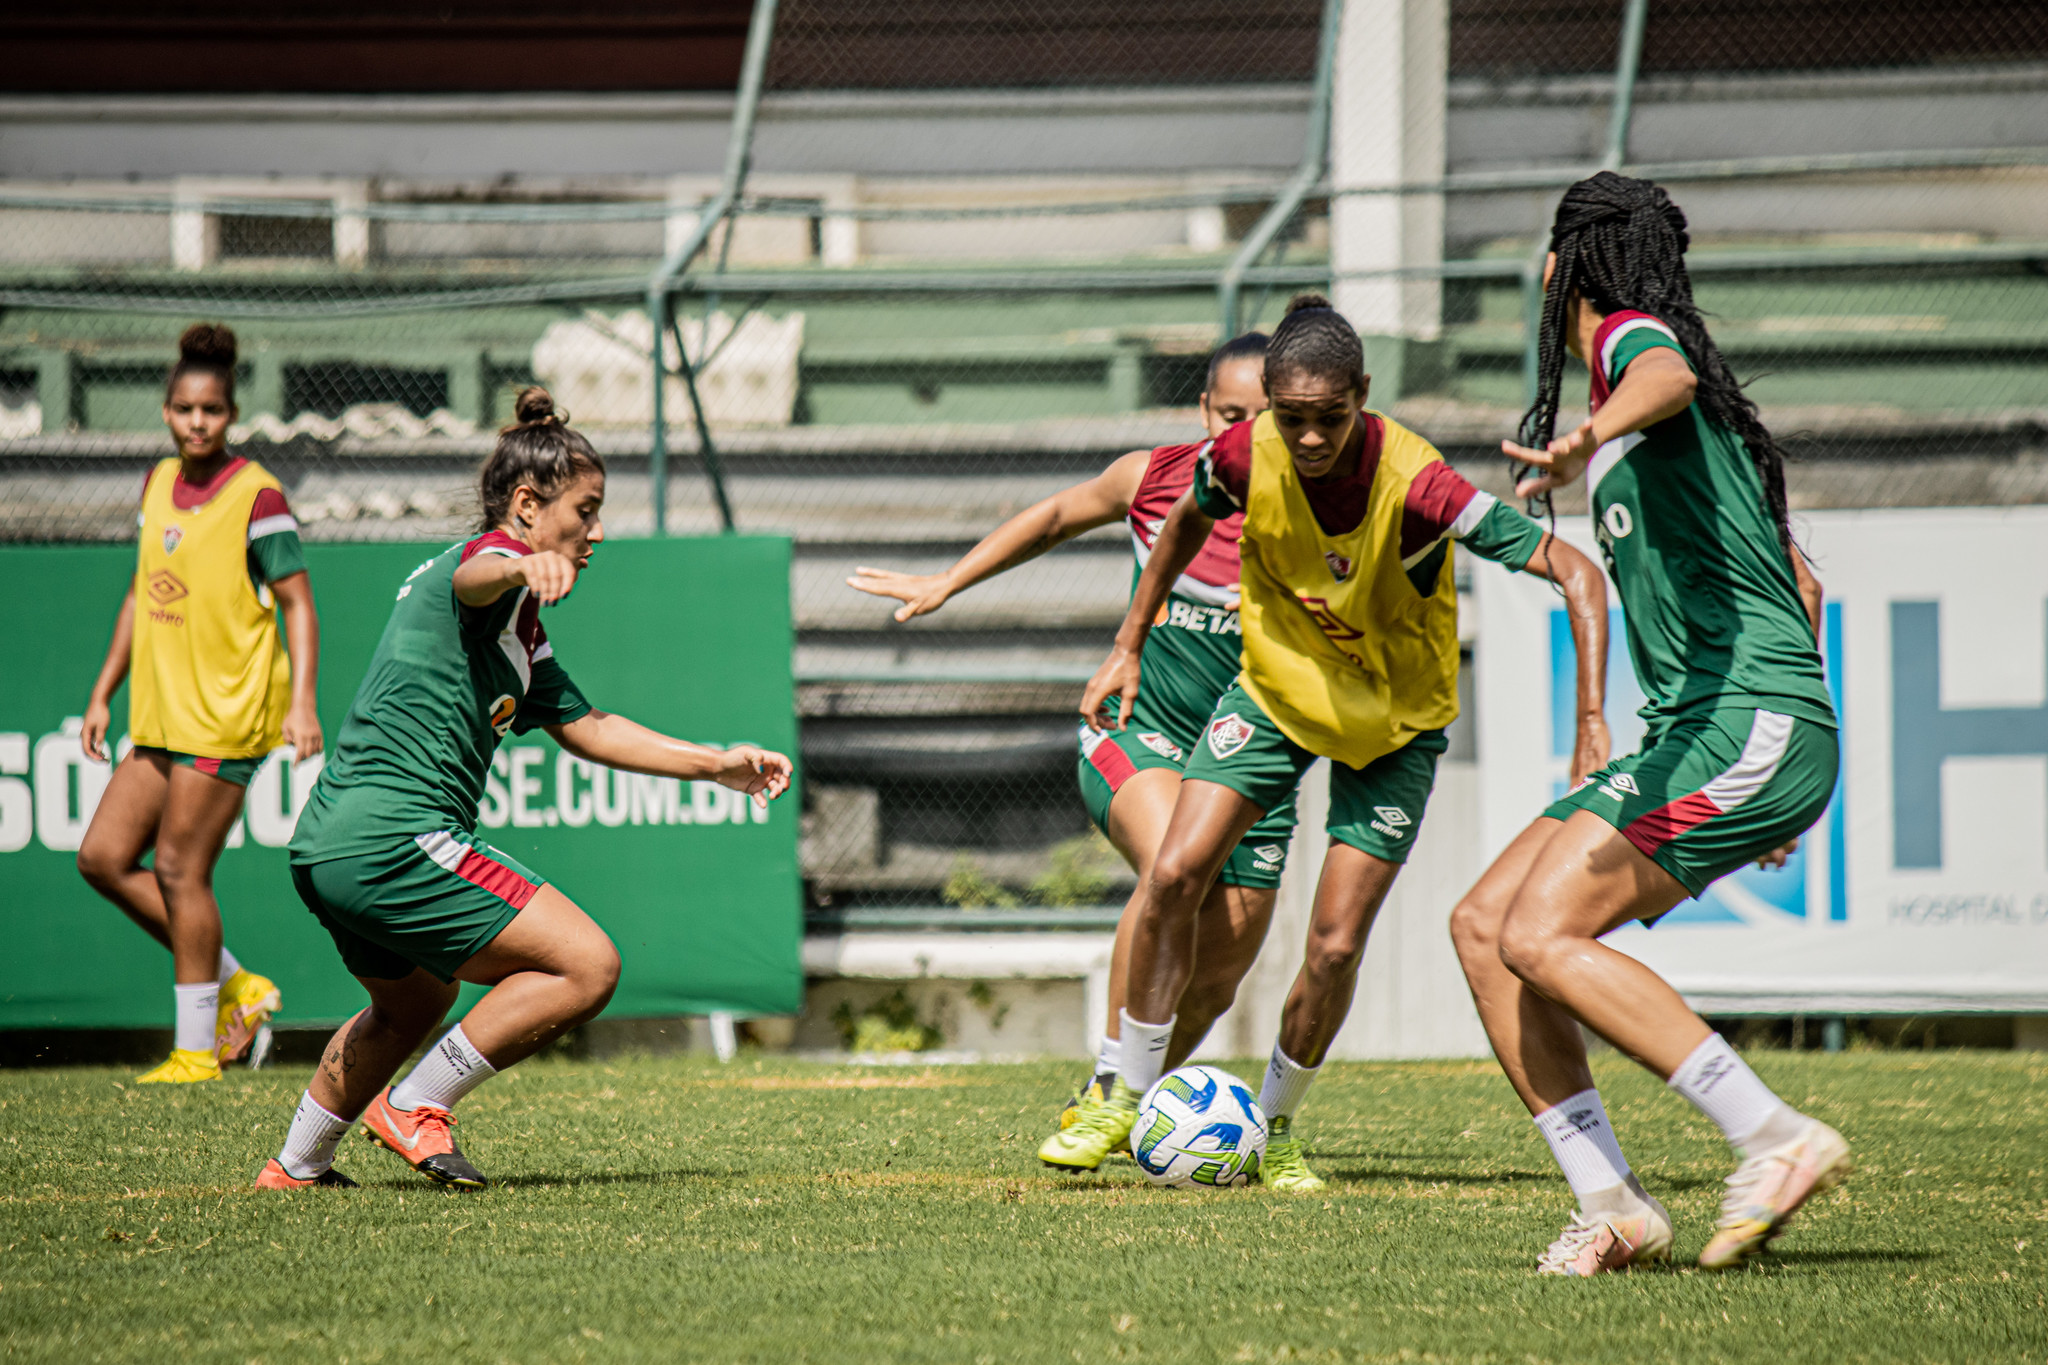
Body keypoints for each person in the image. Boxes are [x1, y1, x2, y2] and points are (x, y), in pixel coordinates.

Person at [1078, 294, 1610, 1190]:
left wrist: (1590, 722)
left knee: (1330, 946)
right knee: (1173, 872)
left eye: (1330, 418)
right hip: (1281, 695)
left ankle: (1277, 1128)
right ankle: (1121, 1090)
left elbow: (1576, 571)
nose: (1312, 438)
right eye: (1293, 420)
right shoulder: (1245, 453)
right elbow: (1184, 519)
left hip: (1394, 728)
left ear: (1363, 394)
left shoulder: (1422, 486)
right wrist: (1128, 641)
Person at [1448, 172, 1846, 1275]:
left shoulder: (1634, 344)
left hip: (1738, 722)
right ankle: (1613, 1203)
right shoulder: (1656, 418)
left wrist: (1585, 440)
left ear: (1565, 265)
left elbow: (1661, 369)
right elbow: (1803, 589)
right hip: (1709, 733)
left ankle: (1771, 1136)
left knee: (1539, 934)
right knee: (1485, 929)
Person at [255, 388, 792, 1191]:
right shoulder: (481, 572)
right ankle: (414, 1104)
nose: (598, 531)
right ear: (528, 504)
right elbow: (478, 571)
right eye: (587, 509)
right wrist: (519, 560)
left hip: (330, 846)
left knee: (414, 1001)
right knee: (587, 964)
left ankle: (295, 1164)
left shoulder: (521, 634)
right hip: (393, 837)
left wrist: (715, 763)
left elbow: (592, 726)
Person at [848, 335, 1299, 1171]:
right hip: (1137, 732)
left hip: (1256, 759)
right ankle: (1106, 1088)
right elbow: (1055, 516)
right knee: (1175, 863)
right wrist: (948, 580)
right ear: (1205, 412)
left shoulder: (1319, 505)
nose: (1247, 433)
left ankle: (1148, 1111)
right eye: (1232, 415)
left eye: (1267, 419)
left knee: (1217, 973)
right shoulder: (1155, 478)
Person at [75, 323, 319, 1084]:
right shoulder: (155, 484)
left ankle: (193, 1050)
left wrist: (302, 702)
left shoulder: (258, 495)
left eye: (211, 409)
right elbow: (141, 593)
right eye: (184, 408)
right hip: (159, 712)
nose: (196, 422)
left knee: (182, 867)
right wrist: (102, 691)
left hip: (227, 713)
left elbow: (299, 605)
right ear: (165, 410)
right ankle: (237, 983)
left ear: (230, 412)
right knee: (103, 859)